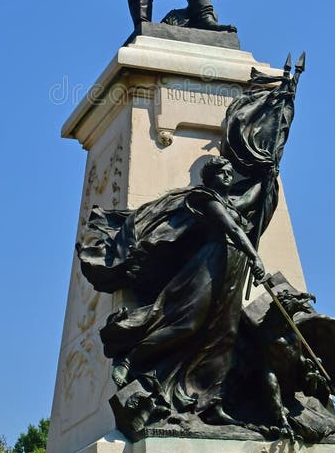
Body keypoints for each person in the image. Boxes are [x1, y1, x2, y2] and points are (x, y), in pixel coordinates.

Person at [77, 156, 266, 426]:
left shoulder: (228, 203)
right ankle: (132, 359)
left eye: (229, 173)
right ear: (210, 177)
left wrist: (266, 176)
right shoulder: (204, 199)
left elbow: (248, 201)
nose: (228, 176)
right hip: (209, 267)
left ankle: (213, 401)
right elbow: (233, 228)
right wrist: (255, 257)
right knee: (187, 324)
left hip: (233, 269)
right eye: (222, 173)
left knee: (226, 335)